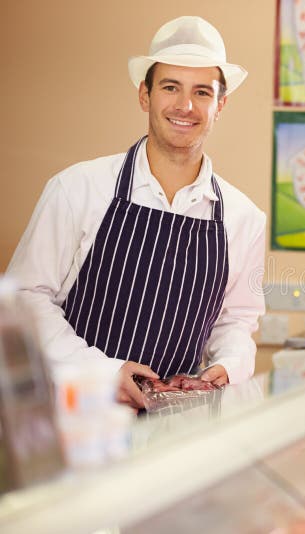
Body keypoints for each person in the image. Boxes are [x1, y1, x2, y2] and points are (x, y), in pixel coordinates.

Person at [7, 16, 266, 409]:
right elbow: (24, 300)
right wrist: (101, 371)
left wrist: (227, 366)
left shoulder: (243, 218)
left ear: (220, 105)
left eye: (202, 92)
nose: (185, 105)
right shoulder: (78, 188)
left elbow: (237, 320)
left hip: (172, 429)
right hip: (75, 413)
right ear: (144, 95)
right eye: (170, 87)